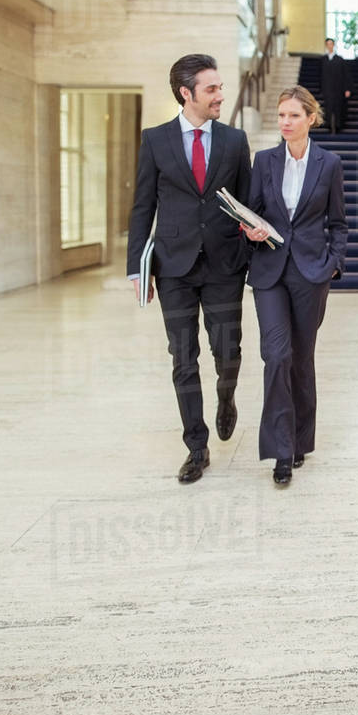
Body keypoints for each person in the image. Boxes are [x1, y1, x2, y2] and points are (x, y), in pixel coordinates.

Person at [126, 54, 251, 484]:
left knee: (227, 352)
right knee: (183, 358)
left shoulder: (235, 141)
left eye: (220, 87)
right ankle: (196, 448)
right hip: (173, 266)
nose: (220, 95)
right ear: (186, 93)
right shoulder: (155, 140)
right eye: (212, 89)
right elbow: (143, 205)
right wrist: (135, 268)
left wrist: (253, 244)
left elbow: (247, 203)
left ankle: (226, 396)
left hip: (224, 264)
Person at [241, 87, 348, 486]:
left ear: (310, 119)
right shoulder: (264, 160)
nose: (285, 122)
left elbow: (338, 222)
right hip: (269, 271)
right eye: (281, 115)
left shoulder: (329, 163)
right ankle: (281, 451)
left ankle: (301, 440)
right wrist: (247, 232)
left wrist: (334, 264)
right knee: (276, 355)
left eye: (293, 115)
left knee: (301, 359)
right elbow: (251, 211)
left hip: (310, 273)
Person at [319, 37, 353, 133]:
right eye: (328, 44)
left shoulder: (340, 60)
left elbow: (346, 75)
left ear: (333, 45)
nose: (329, 46)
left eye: (331, 44)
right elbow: (321, 75)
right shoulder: (323, 60)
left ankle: (338, 126)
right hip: (328, 89)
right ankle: (329, 125)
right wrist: (322, 88)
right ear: (326, 46)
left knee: (338, 108)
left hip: (339, 88)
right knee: (328, 107)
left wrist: (347, 89)